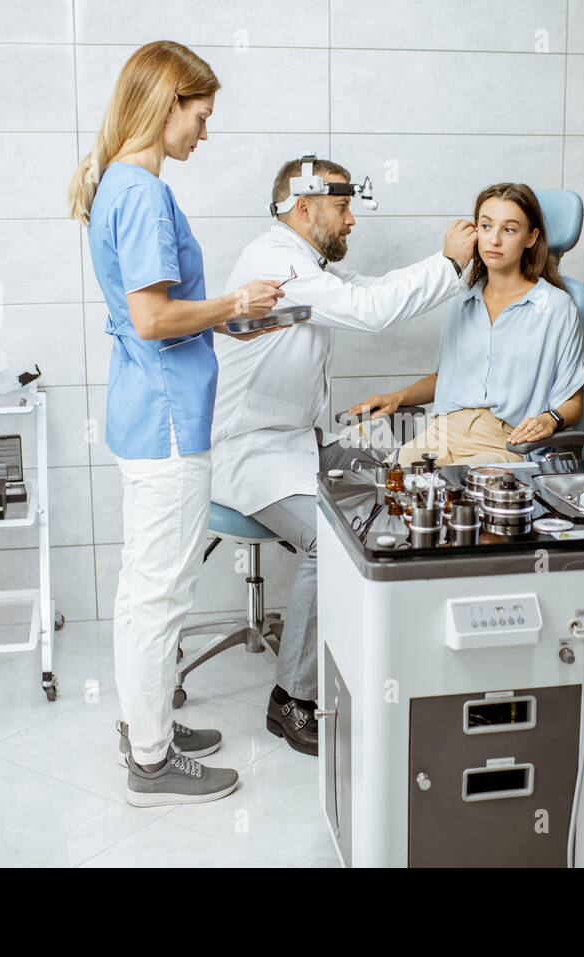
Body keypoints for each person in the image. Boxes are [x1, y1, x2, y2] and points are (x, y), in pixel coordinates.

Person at [68, 41, 285, 806]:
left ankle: (145, 721)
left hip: (144, 408)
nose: (205, 132)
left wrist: (230, 324)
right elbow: (154, 316)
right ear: (168, 104)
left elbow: (155, 318)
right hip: (167, 422)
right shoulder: (143, 193)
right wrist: (234, 305)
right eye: (201, 114)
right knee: (161, 594)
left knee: (140, 589)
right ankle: (153, 761)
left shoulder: (118, 185)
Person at [211, 156, 478, 755]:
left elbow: (370, 291)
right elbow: (371, 313)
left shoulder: (302, 265)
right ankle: (292, 699)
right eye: (342, 207)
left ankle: (378, 650)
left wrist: (452, 269)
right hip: (248, 450)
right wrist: (449, 261)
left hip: (295, 440)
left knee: (394, 482)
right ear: (303, 206)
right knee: (328, 540)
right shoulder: (278, 265)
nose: (352, 220)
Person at [349, 182, 584, 466]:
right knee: (387, 487)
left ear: (531, 237)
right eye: (486, 226)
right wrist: (396, 397)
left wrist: (550, 419)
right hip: (442, 433)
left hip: (505, 441)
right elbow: (445, 378)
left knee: (462, 496)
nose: (494, 240)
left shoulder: (556, 307)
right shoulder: (462, 298)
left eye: (509, 229)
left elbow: (574, 402)